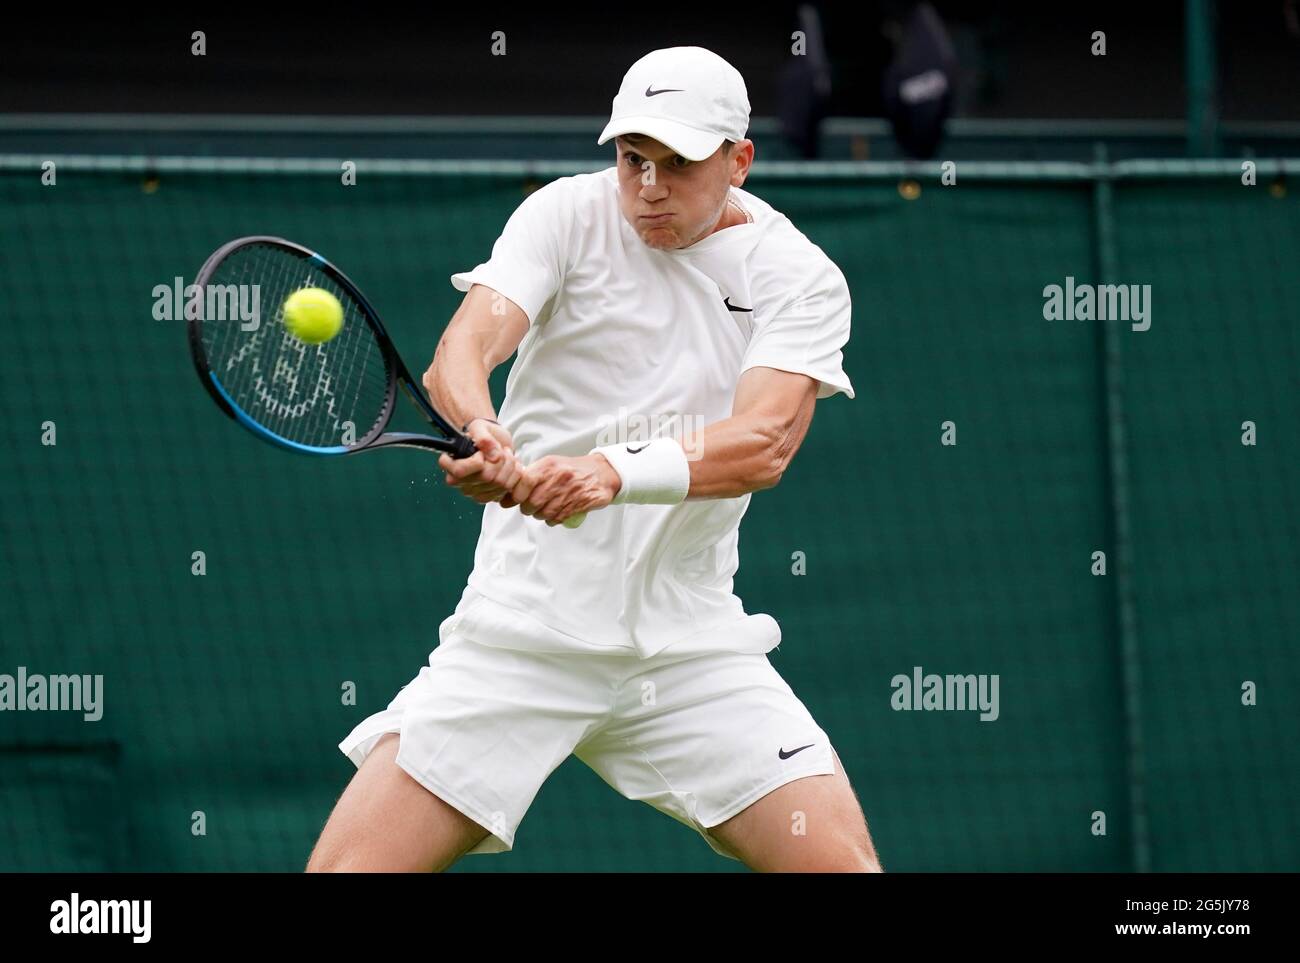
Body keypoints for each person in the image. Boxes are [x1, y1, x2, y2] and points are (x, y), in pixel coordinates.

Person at [308, 45, 881, 873]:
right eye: (632, 159)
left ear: (740, 161)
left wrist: (610, 471)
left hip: (690, 652)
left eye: (678, 163)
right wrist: (481, 427)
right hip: (523, 637)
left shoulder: (799, 278)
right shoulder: (564, 216)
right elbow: (466, 346)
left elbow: (763, 442)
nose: (649, 186)